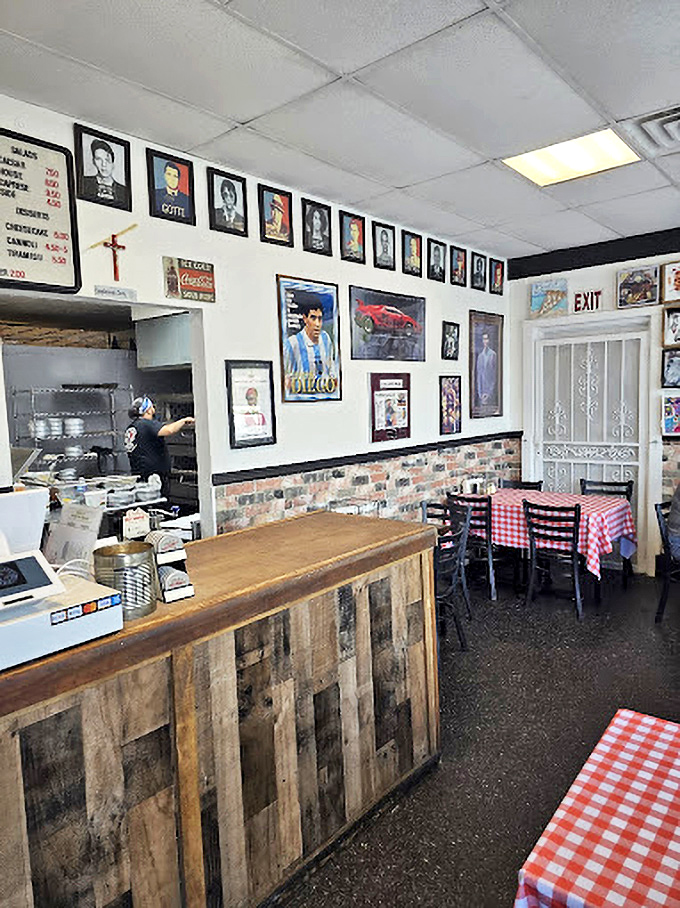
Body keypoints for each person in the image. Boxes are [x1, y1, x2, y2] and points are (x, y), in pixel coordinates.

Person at [124, 396, 195, 499]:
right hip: (153, 477)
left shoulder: (132, 427)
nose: (154, 409)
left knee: (144, 502)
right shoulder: (146, 424)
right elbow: (168, 430)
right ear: (147, 410)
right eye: (152, 406)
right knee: (156, 503)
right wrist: (184, 421)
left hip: (140, 474)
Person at [283, 297, 336, 389]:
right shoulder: (292, 343)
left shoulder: (325, 338)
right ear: (305, 319)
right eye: (313, 318)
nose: (317, 324)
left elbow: (331, 370)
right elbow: (286, 380)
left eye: (320, 318)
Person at [82, 138, 126, 205]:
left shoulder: (123, 191)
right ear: (93, 161)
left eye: (107, 160)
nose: (103, 164)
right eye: (99, 159)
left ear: (113, 164)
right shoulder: (84, 183)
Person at [476, 331, 497, 409]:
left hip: (490, 390)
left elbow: (494, 376)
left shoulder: (493, 355)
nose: (485, 341)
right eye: (484, 339)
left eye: (487, 339)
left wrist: (488, 393)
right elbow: (479, 376)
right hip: (482, 389)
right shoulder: (480, 356)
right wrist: (480, 393)